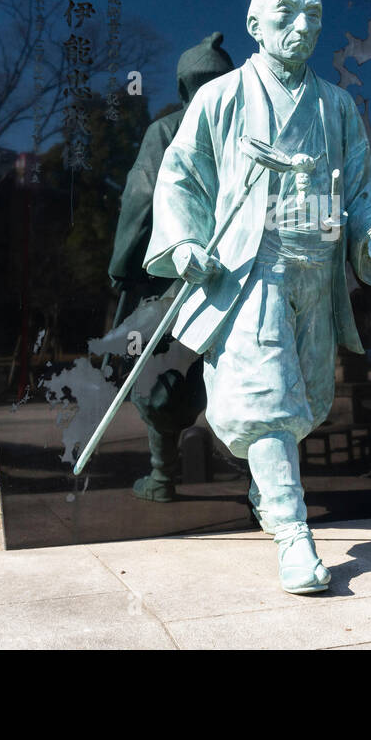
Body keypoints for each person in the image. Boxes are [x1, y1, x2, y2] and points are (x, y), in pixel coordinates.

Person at [145, 0, 371, 594]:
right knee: (264, 401)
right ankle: (295, 536)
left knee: (305, 400)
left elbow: (363, 185)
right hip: (249, 270)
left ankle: (268, 486)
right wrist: (183, 243)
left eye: (313, 16)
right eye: (287, 15)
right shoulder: (222, 97)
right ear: (255, 27)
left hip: (314, 275)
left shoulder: (336, 105)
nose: (303, 27)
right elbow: (179, 175)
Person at [107, 33, 235, 502]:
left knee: (163, 376)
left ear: (183, 88)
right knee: (245, 380)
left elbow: (139, 202)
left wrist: (124, 265)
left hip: (177, 283)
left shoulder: (167, 130)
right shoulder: (256, 133)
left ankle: (163, 477)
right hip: (245, 284)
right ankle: (263, 488)